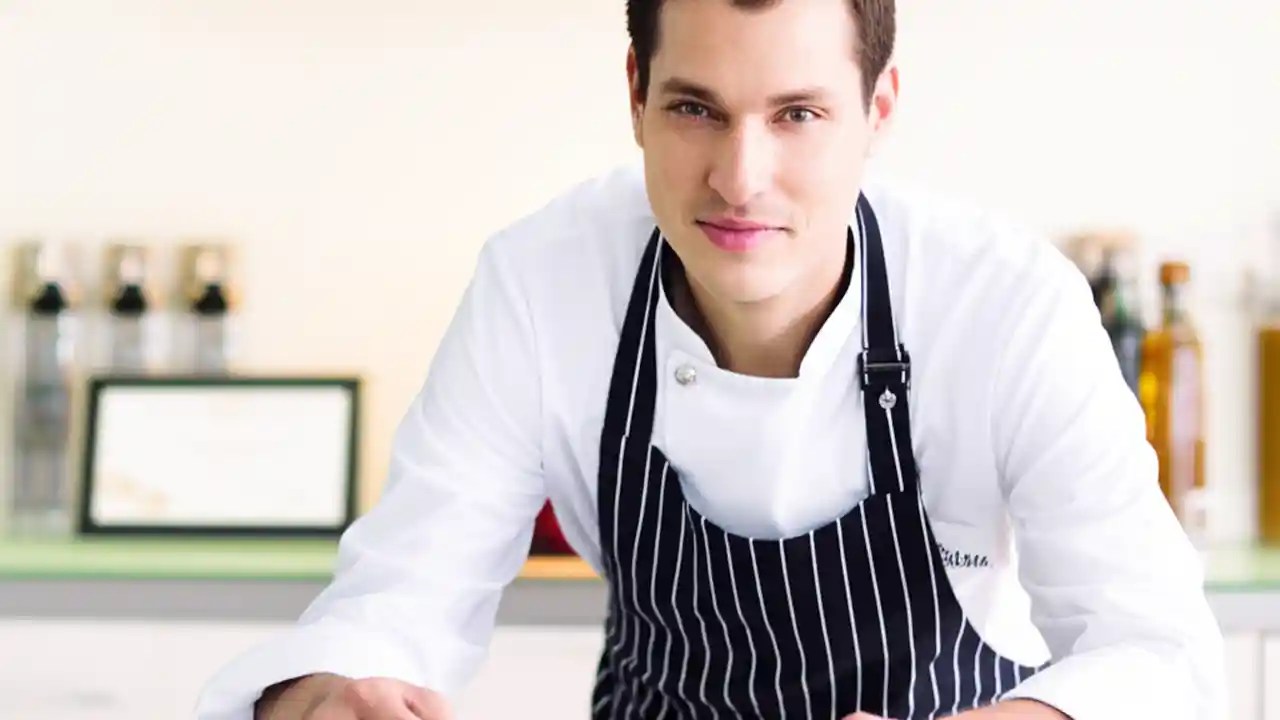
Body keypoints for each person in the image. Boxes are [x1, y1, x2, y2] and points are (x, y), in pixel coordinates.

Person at [197, 0, 1226, 718]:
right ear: (635, 90)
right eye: (694, 108)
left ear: (878, 108)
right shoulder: (540, 284)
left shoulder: (1002, 304)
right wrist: (330, 688)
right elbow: (401, 600)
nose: (740, 179)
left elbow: (1155, 649)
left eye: (797, 115)